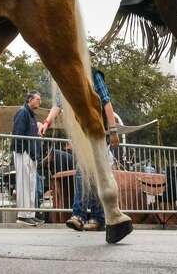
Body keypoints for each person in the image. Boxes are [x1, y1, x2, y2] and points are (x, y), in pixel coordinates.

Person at [40, 69, 117, 232]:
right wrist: (47, 122)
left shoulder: (93, 74)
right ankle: (96, 217)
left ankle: (81, 215)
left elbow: (106, 101)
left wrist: (114, 130)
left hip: (98, 132)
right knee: (90, 174)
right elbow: (58, 104)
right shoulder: (65, 77)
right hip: (82, 134)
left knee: (87, 172)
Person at [11, 91, 43, 225]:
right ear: (30, 100)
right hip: (24, 152)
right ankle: (23, 215)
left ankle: (30, 213)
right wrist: (22, 152)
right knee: (24, 183)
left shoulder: (31, 115)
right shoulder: (23, 112)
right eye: (37, 99)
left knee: (30, 184)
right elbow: (18, 133)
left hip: (31, 153)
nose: (39, 102)